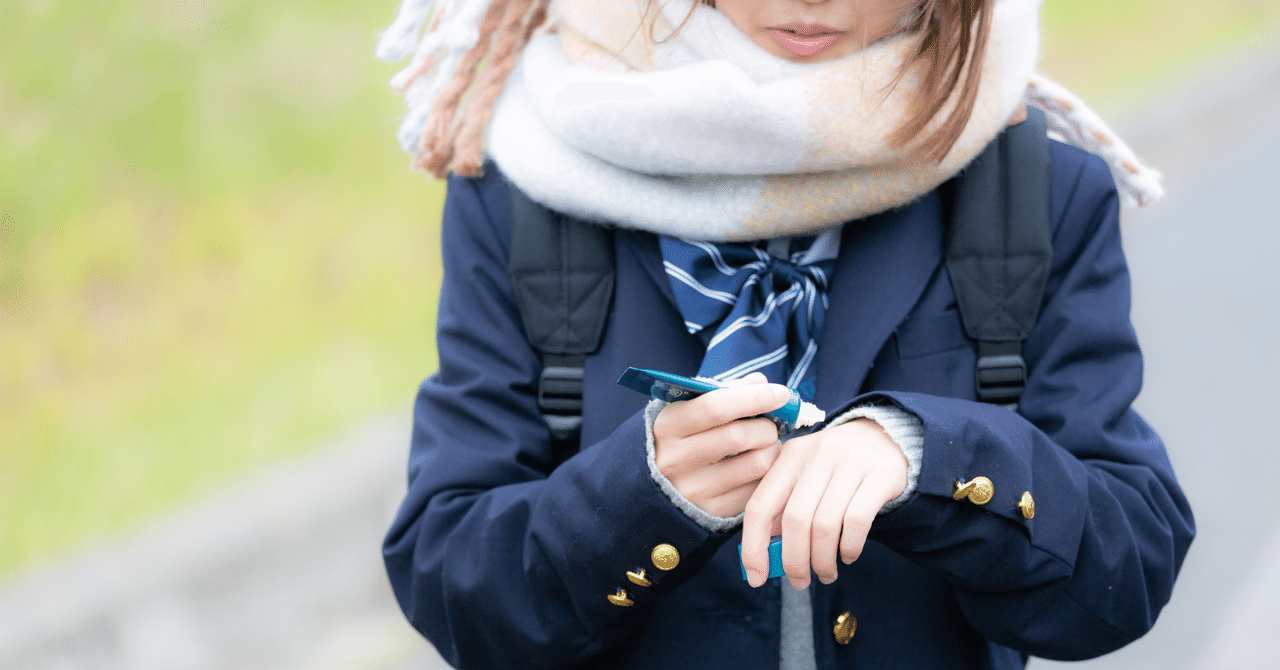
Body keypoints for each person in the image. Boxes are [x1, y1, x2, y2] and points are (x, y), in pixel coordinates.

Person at [375, 0, 1195, 667]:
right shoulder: (527, 182)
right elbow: (453, 586)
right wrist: (643, 493)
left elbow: (1129, 567)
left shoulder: (1032, 189)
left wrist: (927, 456)